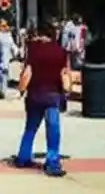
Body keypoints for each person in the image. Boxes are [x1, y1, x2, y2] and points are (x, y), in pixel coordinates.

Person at [13, 22, 69, 177]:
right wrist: (67, 90)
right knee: (53, 130)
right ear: (53, 35)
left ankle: (23, 158)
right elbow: (64, 74)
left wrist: (21, 90)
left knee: (30, 128)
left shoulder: (33, 51)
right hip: (53, 95)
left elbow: (27, 72)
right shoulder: (61, 52)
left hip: (35, 96)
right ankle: (52, 162)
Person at [0, 21, 19, 99]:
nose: (2, 28)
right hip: (3, 59)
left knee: (0, 76)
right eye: (2, 26)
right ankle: (2, 91)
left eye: (3, 26)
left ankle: (1, 92)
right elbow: (13, 47)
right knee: (3, 76)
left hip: (1, 58)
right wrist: (16, 54)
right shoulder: (8, 36)